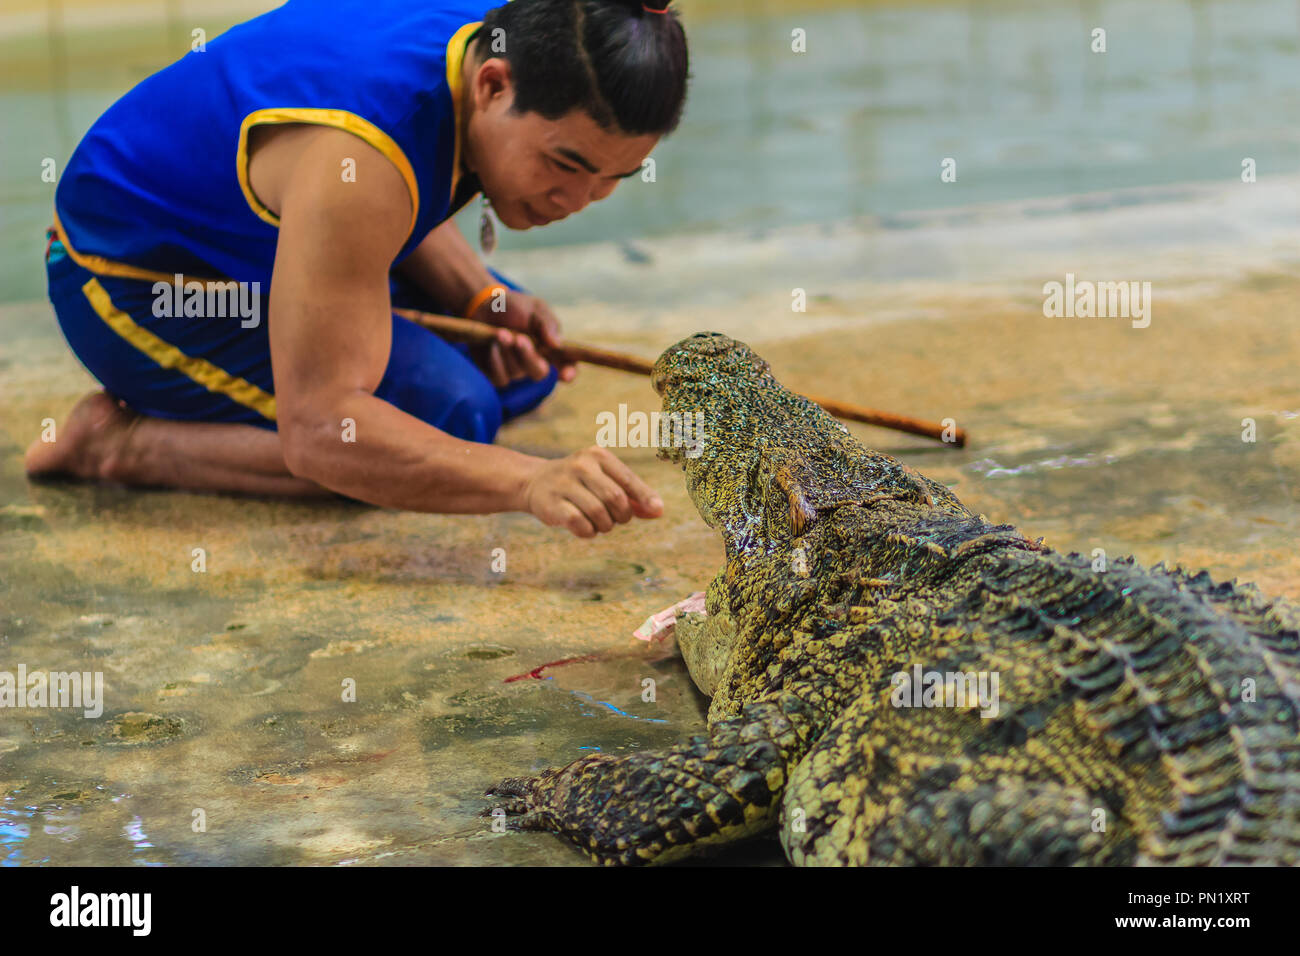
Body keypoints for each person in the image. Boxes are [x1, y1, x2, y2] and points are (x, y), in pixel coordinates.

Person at [26, 0, 689, 538]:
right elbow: (321, 430)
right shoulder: (361, 155)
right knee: (446, 417)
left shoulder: (510, 28)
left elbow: (406, 174)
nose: (575, 202)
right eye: (565, 164)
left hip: (280, 237)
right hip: (135, 281)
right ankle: (118, 445)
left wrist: (477, 293)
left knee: (516, 363)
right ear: (492, 85)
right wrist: (527, 480)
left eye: (613, 179)